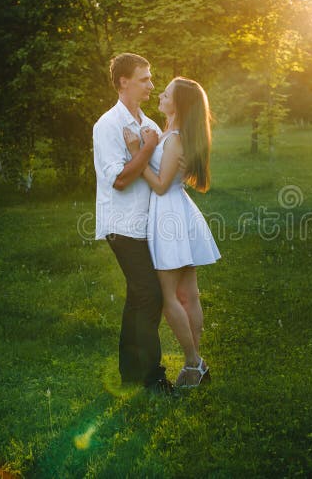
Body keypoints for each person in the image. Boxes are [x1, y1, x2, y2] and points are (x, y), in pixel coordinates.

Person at [124, 77, 220, 388]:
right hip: (178, 212)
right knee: (188, 295)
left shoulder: (174, 137)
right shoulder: (172, 134)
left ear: (177, 105)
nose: (161, 96)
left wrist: (138, 152)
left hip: (169, 215)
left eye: (166, 94)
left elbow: (161, 185)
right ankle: (197, 363)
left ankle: (193, 363)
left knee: (170, 298)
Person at [92, 53, 173, 394]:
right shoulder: (107, 125)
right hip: (121, 224)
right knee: (150, 293)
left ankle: (129, 371)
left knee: (139, 296)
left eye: (151, 79)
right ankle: (152, 376)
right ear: (124, 81)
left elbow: (156, 173)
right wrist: (147, 147)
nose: (151, 86)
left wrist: (149, 145)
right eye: (144, 79)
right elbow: (120, 180)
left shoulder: (149, 124)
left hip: (147, 224)